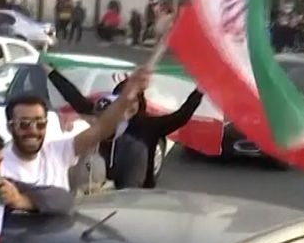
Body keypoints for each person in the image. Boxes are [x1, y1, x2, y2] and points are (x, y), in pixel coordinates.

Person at [45, 62, 203, 189]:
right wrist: (51, 72)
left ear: (141, 103)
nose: (129, 105)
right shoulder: (103, 119)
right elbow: (75, 98)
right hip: (101, 194)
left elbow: (181, 116)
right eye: (124, 100)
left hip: (135, 201)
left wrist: (199, 91)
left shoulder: (149, 126)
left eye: (134, 100)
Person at [0, 67, 143, 192]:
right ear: (10, 127)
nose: (33, 130)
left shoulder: (57, 152)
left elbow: (102, 128)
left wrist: (128, 94)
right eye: (24, 124)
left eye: (40, 124)